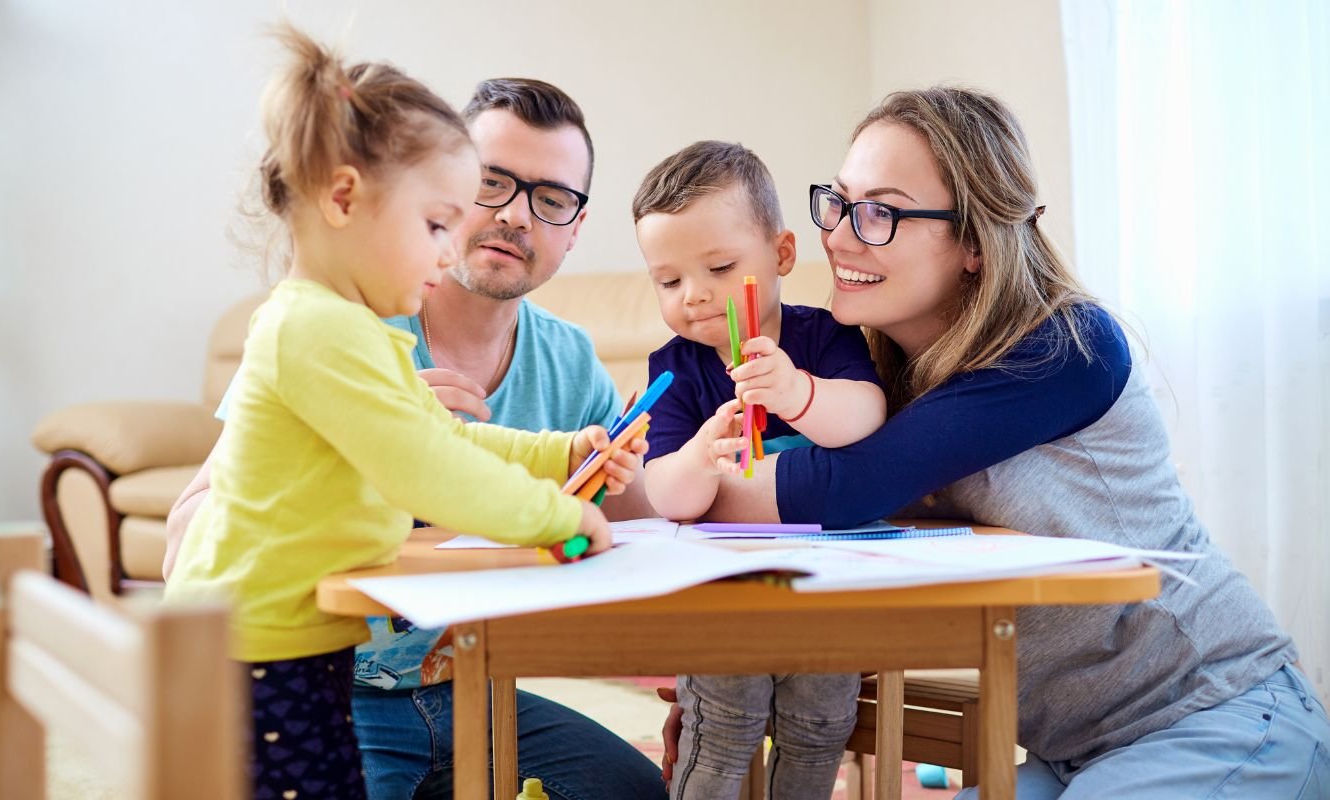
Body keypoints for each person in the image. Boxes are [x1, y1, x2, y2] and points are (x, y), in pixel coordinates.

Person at [661, 86, 1330, 798]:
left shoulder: (1064, 346)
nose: (840, 235)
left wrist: (668, 490)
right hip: (1075, 750)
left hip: (1217, 714)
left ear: (976, 242)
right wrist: (727, 677)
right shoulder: (872, 376)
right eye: (840, 201)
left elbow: (841, 490)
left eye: (880, 211)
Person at [165, 27, 642, 799]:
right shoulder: (316, 330)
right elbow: (430, 468)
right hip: (252, 653)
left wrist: (559, 453)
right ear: (347, 200)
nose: (450, 250)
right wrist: (555, 514)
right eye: (436, 224)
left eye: (549, 198)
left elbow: (448, 438)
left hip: (367, 661)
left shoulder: (352, 331)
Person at [631, 141, 886, 799]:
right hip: (722, 601)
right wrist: (700, 457)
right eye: (669, 281)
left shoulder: (825, 337)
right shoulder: (676, 368)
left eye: (718, 267)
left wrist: (798, 392)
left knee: (819, 731)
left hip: (828, 595)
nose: (694, 296)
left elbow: (867, 417)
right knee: (720, 734)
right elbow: (666, 494)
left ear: (780, 255)